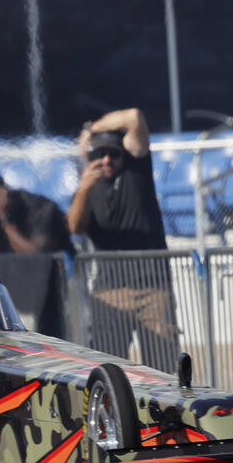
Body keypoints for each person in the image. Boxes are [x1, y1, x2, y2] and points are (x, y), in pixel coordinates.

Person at [65, 107, 177, 369]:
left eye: (114, 154)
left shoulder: (136, 170)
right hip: (109, 290)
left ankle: (159, 411)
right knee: (108, 367)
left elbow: (135, 117)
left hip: (153, 287)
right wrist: (83, 189)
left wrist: (91, 129)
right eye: (100, 154)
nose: (106, 160)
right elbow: (75, 227)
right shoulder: (87, 188)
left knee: (162, 369)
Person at [0, 172, 74, 255]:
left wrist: (5, 219)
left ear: (5, 191)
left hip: (61, 278)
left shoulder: (40, 207)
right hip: (19, 280)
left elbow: (36, 256)